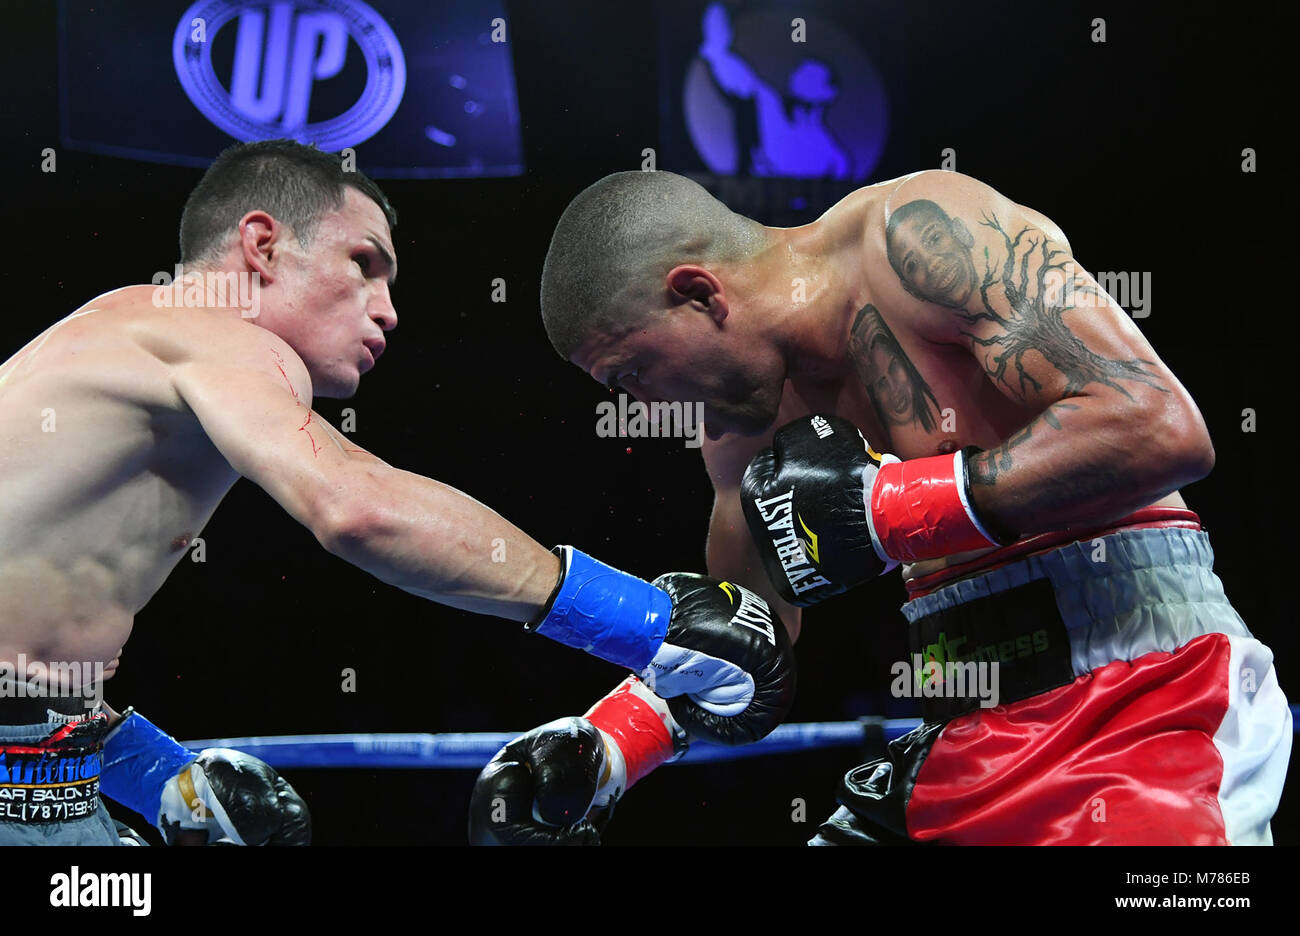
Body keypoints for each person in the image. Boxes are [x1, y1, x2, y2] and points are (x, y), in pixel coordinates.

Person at [0, 142, 795, 845]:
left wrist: (155, 775)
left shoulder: (125, 341)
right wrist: (647, 621)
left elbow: (29, 658)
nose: (387, 309)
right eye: (363, 264)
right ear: (262, 245)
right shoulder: (216, 336)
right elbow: (359, 507)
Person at [469, 167, 1290, 845]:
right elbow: (744, 644)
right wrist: (611, 741)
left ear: (698, 293)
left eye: (632, 375)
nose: (647, 410)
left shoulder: (919, 235)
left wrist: (894, 508)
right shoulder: (740, 433)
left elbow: (1159, 427)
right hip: (965, 736)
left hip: (1147, 700)